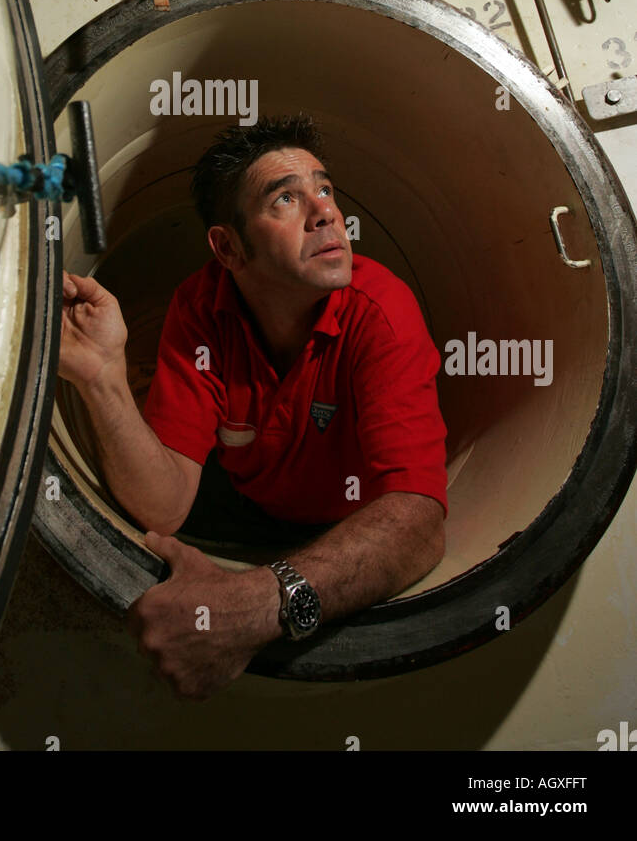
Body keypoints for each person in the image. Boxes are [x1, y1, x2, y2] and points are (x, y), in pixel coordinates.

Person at [58, 113, 447, 701]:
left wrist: (259, 603)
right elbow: (163, 507)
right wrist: (101, 375)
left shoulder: (381, 313)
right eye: (285, 198)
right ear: (229, 247)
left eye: (324, 189)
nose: (325, 212)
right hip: (243, 495)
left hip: (347, 522)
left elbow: (419, 523)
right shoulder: (201, 306)